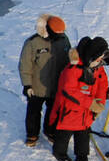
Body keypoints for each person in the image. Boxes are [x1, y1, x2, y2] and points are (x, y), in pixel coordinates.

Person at [49, 37, 108, 161]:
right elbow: (69, 90)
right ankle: (59, 153)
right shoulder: (73, 69)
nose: (101, 61)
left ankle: (82, 157)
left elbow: (102, 85)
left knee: (83, 137)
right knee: (63, 136)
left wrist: (99, 103)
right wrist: (91, 103)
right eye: (99, 58)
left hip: (86, 113)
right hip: (69, 111)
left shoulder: (98, 68)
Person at [17, 14, 71, 146]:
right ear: (48, 30)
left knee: (53, 111)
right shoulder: (32, 42)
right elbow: (25, 65)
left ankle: (50, 131)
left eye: (61, 33)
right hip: (37, 87)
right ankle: (32, 134)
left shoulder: (64, 39)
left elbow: (69, 59)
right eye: (57, 33)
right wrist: (27, 85)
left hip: (56, 85)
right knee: (33, 112)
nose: (60, 35)